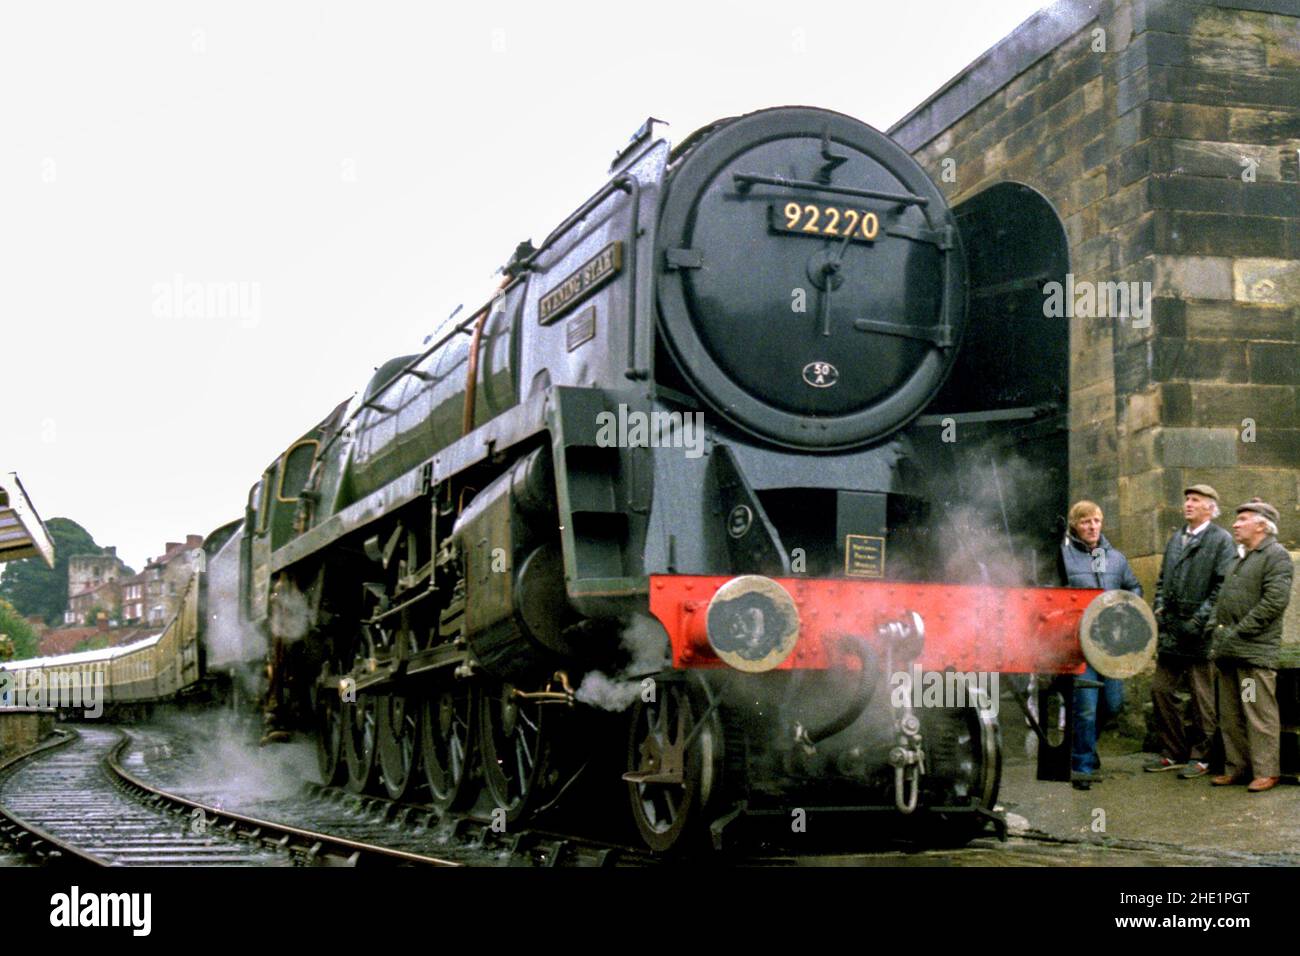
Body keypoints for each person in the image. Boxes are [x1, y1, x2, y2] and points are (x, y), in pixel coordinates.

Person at [1144, 485, 1235, 779]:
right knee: (1160, 690)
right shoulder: (1176, 539)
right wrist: (1160, 608)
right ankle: (1173, 751)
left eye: (1195, 500)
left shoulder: (1221, 540)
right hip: (1172, 630)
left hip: (1199, 633)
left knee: (1202, 698)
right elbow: (1162, 581)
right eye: (1186, 499)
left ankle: (1202, 757)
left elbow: (1221, 587)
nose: (1188, 504)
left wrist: (1198, 621)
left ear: (1210, 507)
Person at [1208, 498, 1293, 793]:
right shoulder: (1239, 557)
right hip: (1230, 651)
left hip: (1252, 653)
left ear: (1261, 525)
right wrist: (1215, 628)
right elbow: (1222, 598)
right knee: (1231, 714)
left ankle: (1266, 771)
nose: (1235, 524)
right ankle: (1237, 767)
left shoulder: (1276, 556)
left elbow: (1274, 603)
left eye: (1242, 519)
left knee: (1256, 713)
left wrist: (1238, 632)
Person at [1059, 500, 1142, 790]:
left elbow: (1133, 587)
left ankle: (1085, 747)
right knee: (1085, 708)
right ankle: (1081, 766)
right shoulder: (1064, 558)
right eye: (1086, 522)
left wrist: (1128, 610)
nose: (1092, 527)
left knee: (1113, 704)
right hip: (1080, 645)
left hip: (1111, 645)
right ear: (1075, 525)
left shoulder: (1115, 558)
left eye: (1096, 521)